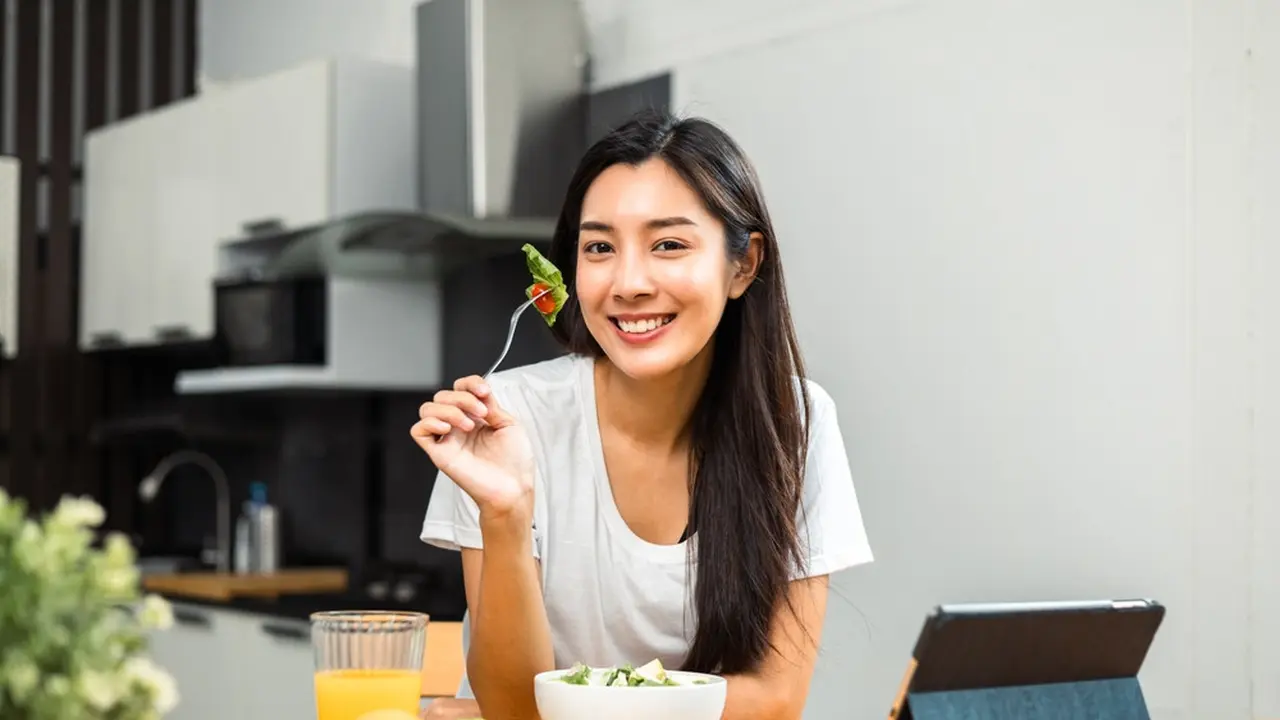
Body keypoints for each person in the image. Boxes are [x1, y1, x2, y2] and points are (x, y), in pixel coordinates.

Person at [412, 109, 873, 720]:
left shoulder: (797, 423)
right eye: (599, 247)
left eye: (669, 245)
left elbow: (775, 702)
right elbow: (514, 708)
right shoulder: (505, 420)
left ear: (743, 265)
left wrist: (569, 708)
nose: (628, 282)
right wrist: (505, 511)